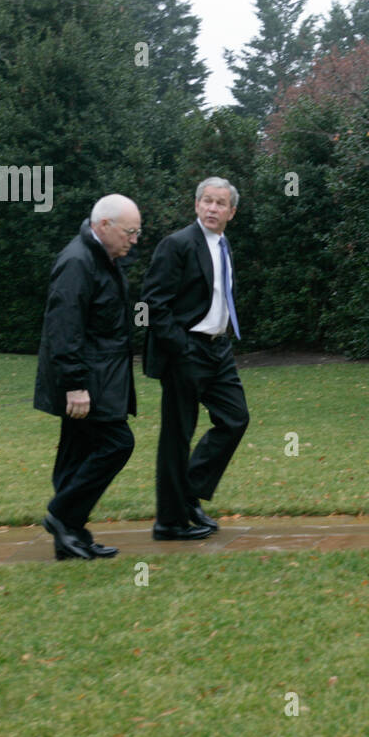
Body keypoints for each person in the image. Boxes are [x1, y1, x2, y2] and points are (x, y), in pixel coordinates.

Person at [33, 194, 142, 560]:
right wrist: (75, 385)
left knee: (76, 454)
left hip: (100, 376)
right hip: (87, 381)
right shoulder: (78, 262)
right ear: (104, 226)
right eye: (130, 231)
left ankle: (71, 536)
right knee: (117, 443)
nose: (134, 239)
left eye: (137, 232)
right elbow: (63, 328)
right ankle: (62, 516)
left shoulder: (104, 257)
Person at [140, 177, 249, 540]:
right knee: (177, 435)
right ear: (196, 205)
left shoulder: (224, 244)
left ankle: (188, 492)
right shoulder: (177, 244)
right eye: (207, 201)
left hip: (218, 350)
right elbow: (153, 302)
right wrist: (181, 347)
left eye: (220, 204)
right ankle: (169, 522)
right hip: (186, 351)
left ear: (232, 212)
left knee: (235, 419)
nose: (212, 208)